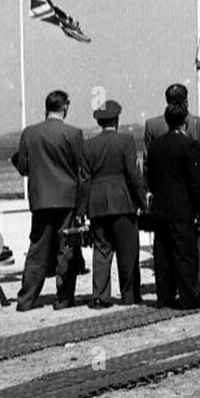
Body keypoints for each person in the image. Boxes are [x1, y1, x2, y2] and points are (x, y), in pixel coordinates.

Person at [13, 89, 85, 311]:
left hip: (41, 199)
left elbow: (24, 168)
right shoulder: (74, 133)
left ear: (46, 108)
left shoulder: (30, 133)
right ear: (65, 107)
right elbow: (81, 169)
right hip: (67, 199)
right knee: (67, 249)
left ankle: (26, 299)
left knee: (37, 249)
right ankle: (64, 298)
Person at [144, 83, 200, 274]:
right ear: (186, 100)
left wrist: (149, 189)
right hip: (193, 190)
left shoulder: (153, 125)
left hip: (163, 194)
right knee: (195, 241)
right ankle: (194, 282)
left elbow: (148, 163)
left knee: (164, 243)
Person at [77, 100, 146, 307]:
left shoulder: (88, 145)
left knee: (101, 250)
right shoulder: (126, 141)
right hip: (122, 201)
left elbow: (84, 180)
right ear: (116, 119)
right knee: (127, 251)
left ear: (99, 122)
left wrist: (81, 209)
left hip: (97, 204)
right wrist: (142, 201)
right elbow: (133, 175)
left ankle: (100, 296)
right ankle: (129, 295)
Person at [145, 102, 200, 309]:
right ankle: (189, 298)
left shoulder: (155, 145)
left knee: (162, 255)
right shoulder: (189, 146)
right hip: (182, 209)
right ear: (185, 122)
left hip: (161, 208)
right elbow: (194, 181)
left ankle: (165, 297)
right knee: (185, 255)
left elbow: (150, 177)